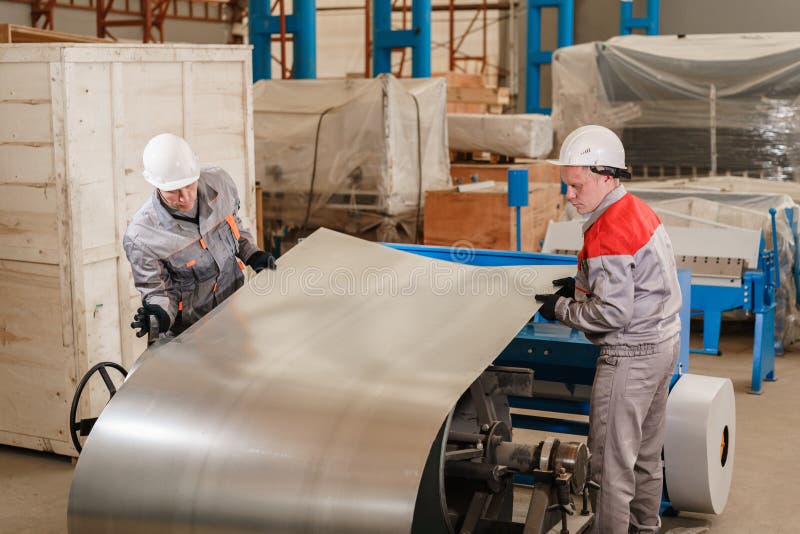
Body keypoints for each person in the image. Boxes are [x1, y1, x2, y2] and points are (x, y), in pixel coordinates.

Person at [534, 125, 682, 534]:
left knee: (609, 468)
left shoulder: (609, 229)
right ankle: (643, 529)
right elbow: (633, 282)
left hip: (631, 357)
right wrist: (581, 287)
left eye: (577, 185)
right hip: (662, 344)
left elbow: (613, 313)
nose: (569, 195)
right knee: (645, 457)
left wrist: (562, 309)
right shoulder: (636, 210)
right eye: (566, 185)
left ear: (606, 176)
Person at [123, 133, 275, 339]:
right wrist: (157, 317)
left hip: (234, 313)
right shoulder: (142, 237)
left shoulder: (220, 184)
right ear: (157, 185)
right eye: (173, 191)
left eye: (189, 185)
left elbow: (233, 225)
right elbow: (159, 293)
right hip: (190, 335)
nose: (185, 197)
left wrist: (252, 254)